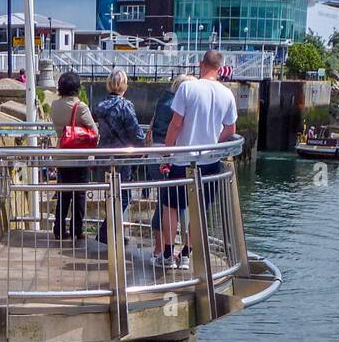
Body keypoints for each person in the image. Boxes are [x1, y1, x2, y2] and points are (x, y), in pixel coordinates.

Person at [161, 50, 238, 263]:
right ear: (220, 69)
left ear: (200, 64)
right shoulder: (227, 94)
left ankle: (168, 254)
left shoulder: (188, 87)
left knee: (171, 206)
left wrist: (167, 152)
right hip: (209, 161)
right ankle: (186, 255)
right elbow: (230, 130)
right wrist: (212, 143)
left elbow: (176, 124)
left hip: (181, 158)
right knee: (199, 209)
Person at [93, 68, 146, 242]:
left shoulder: (100, 106)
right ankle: (106, 232)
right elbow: (136, 133)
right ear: (124, 85)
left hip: (104, 156)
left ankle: (111, 232)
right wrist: (144, 143)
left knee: (111, 194)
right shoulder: (125, 106)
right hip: (122, 157)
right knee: (124, 196)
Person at [49, 71, 98, 245]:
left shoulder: (54, 105)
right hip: (80, 157)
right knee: (79, 195)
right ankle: (77, 229)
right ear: (77, 87)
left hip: (62, 156)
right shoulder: (81, 107)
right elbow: (94, 131)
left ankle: (59, 229)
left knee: (63, 194)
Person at [149, 74, 193, 259]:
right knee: (169, 206)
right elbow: (176, 128)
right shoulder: (179, 105)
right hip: (167, 156)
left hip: (154, 154)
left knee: (165, 203)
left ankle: (162, 248)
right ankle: (163, 250)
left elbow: (152, 126)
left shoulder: (163, 101)